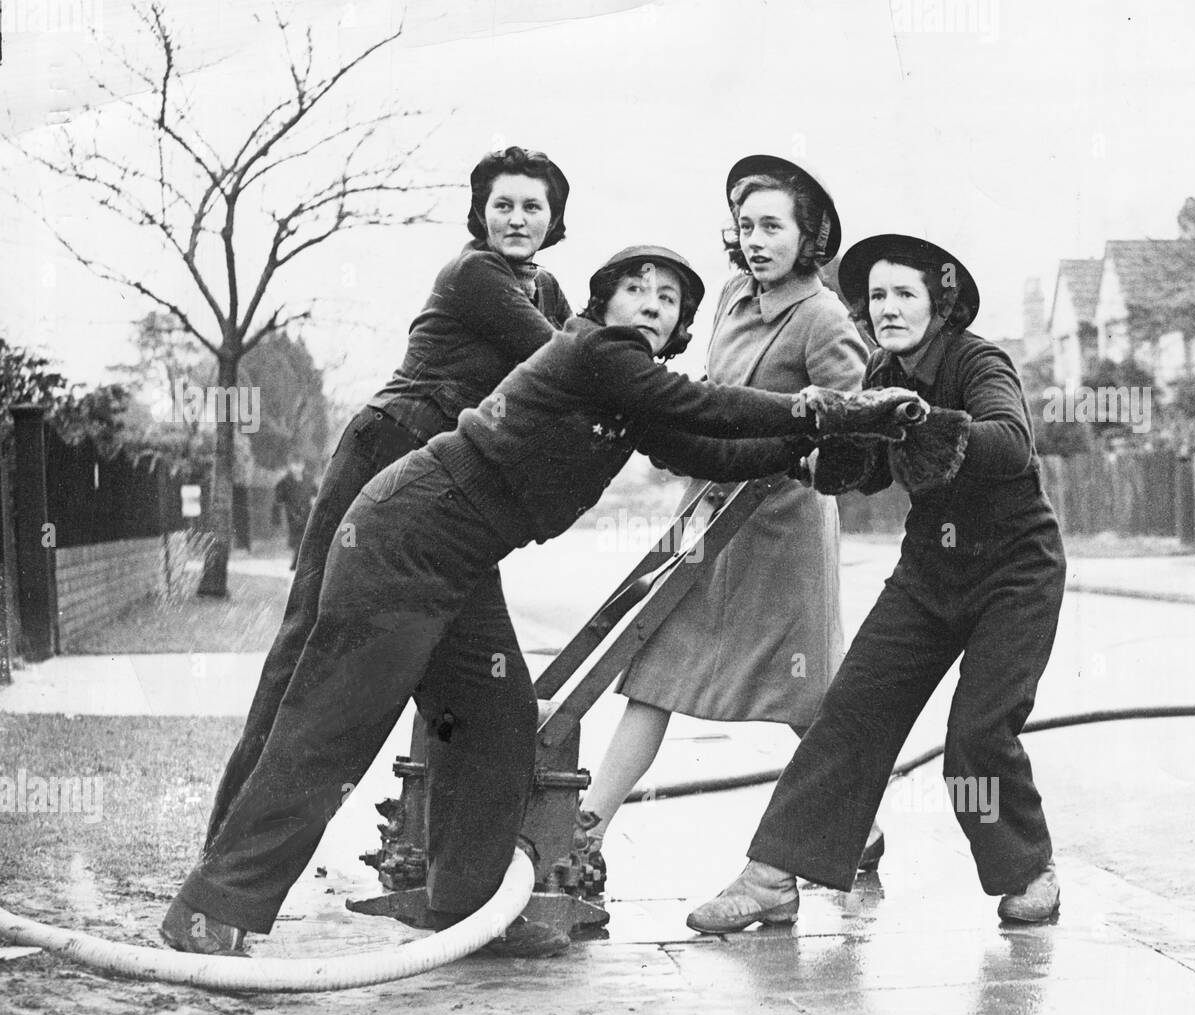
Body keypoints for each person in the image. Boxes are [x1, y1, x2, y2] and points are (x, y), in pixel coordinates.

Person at [160, 245, 923, 959]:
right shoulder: (596, 351)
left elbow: (714, 446)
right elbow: (711, 404)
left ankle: (470, 909)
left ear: (682, 325)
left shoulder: (631, 398)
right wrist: (825, 411)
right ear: (603, 300)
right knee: (334, 725)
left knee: (498, 723)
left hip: (455, 560)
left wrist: (806, 455)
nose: (651, 305)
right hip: (403, 538)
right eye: (636, 289)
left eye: (669, 299)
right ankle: (212, 906)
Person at [685, 233, 1067, 934]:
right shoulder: (884, 371)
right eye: (878, 296)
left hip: (1016, 570)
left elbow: (1010, 444)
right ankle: (771, 878)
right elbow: (866, 470)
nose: (888, 308)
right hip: (930, 571)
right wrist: (826, 455)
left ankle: (1027, 871)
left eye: (905, 294)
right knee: (850, 712)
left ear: (940, 303)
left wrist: (920, 421)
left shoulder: (978, 360)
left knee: (976, 737)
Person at [202, 146, 572, 848]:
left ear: (553, 218)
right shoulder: (474, 273)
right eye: (503, 205)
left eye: (533, 206)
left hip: (452, 494)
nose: (517, 219)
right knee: (307, 654)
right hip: (385, 456)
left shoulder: (545, 288)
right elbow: (566, 366)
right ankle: (220, 857)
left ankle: (463, 892)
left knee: (483, 688)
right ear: (479, 212)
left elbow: (580, 368)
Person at [579, 155, 887, 883]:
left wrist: (787, 451)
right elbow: (714, 392)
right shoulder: (729, 296)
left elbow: (847, 434)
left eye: (773, 226)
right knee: (652, 672)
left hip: (780, 530)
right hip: (707, 517)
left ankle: (861, 825)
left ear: (808, 235)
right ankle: (585, 831)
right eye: (746, 225)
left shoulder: (825, 320)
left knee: (801, 698)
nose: (755, 240)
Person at [272, 457, 315, 570]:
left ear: (303, 465)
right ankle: (297, 563)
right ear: (290, 466)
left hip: (307, 512)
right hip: (292, 514)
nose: (297, 468)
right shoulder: (285, 481)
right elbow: (278, 498)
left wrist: (313, 500)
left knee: (305, 537)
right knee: (297, 538)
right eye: (294, 465)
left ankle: (297, 563)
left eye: (299, 464)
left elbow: (315, 493)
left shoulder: (309, 479)